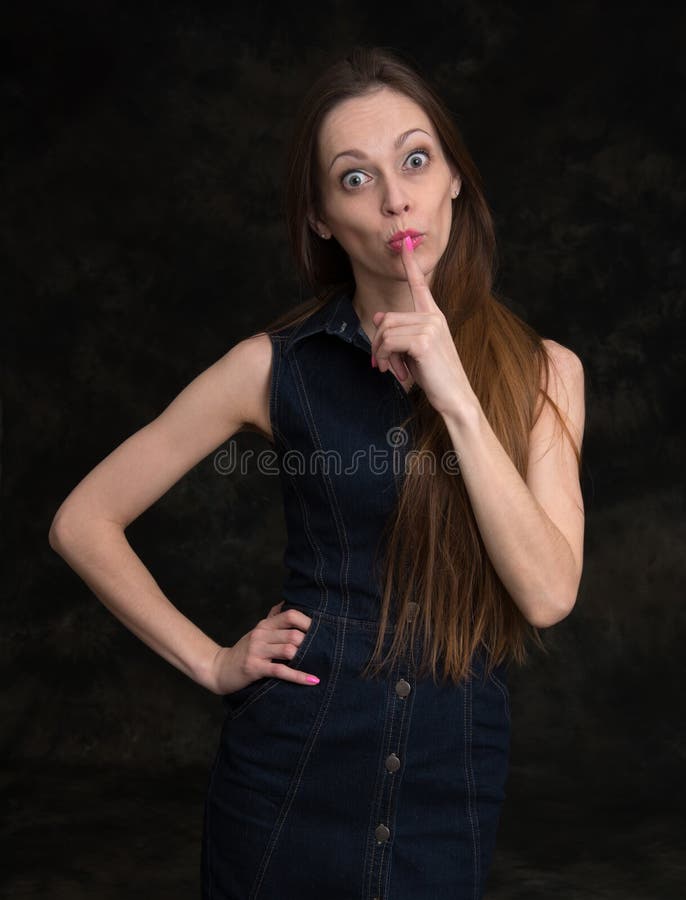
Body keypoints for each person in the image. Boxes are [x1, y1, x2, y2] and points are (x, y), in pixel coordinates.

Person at [48, 45, 585, 899]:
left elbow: (549, 594)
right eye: (355, 177)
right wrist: (211, 662)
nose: (395, 196)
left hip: (453, 782)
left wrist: (458, 400)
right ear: (324, 219)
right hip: (291, 775)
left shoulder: (545, 372)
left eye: (415, 160)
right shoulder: (274, 367)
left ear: (454, 181)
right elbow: (83, 520)